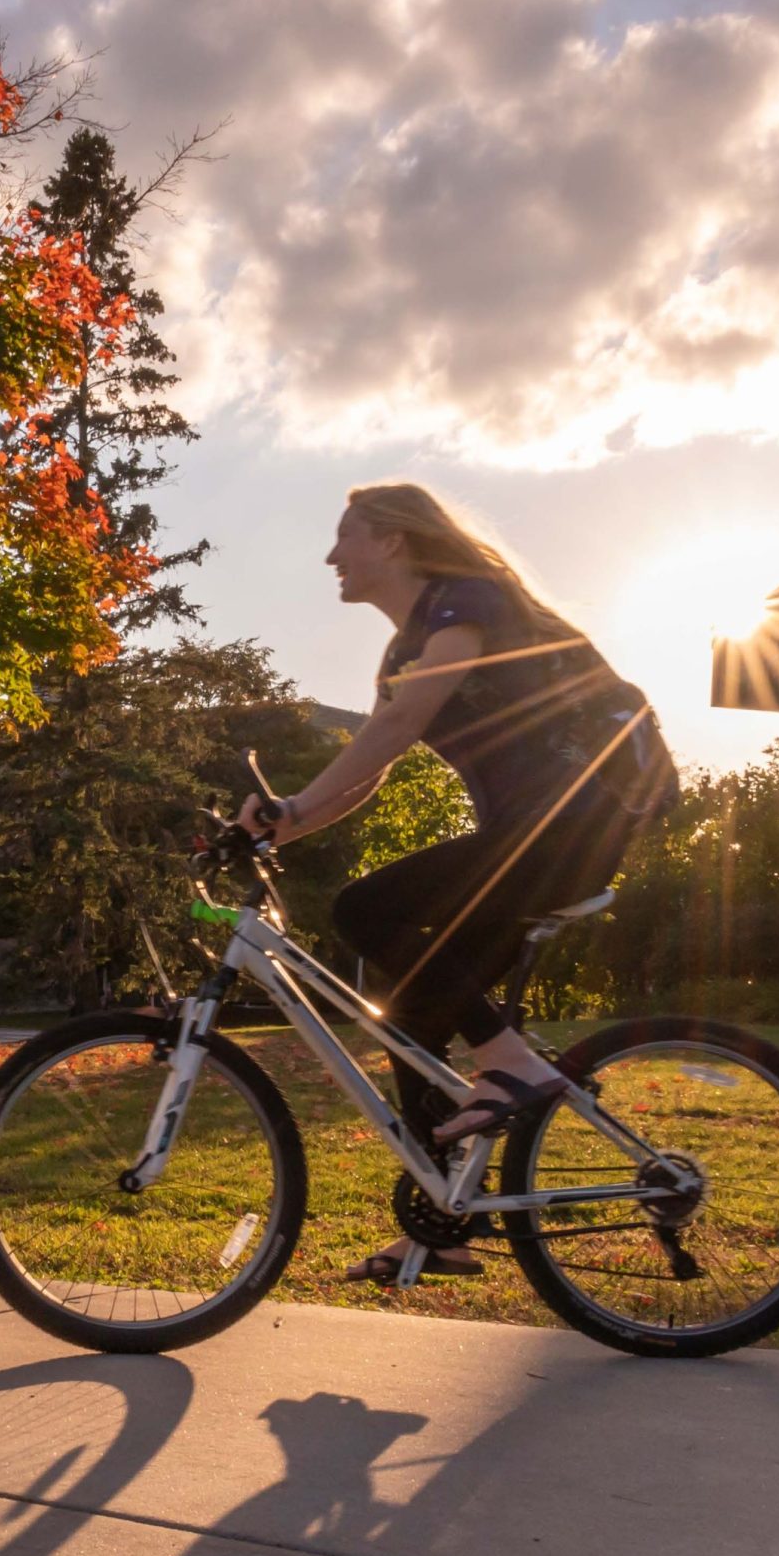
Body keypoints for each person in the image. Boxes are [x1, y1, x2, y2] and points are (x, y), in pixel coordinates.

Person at [236, 483, 677, 1286]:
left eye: (346, 535)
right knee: (409, 1010)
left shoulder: (470, 600)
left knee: (363, 909)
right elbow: (372, 771)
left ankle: (512, 1066)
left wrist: (292, 806)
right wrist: (277, 828)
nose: (332, 555)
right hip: (526, 837)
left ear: (393, 541)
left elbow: (399, 725)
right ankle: (443, 1226)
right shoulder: (402, 654)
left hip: (575, 826)